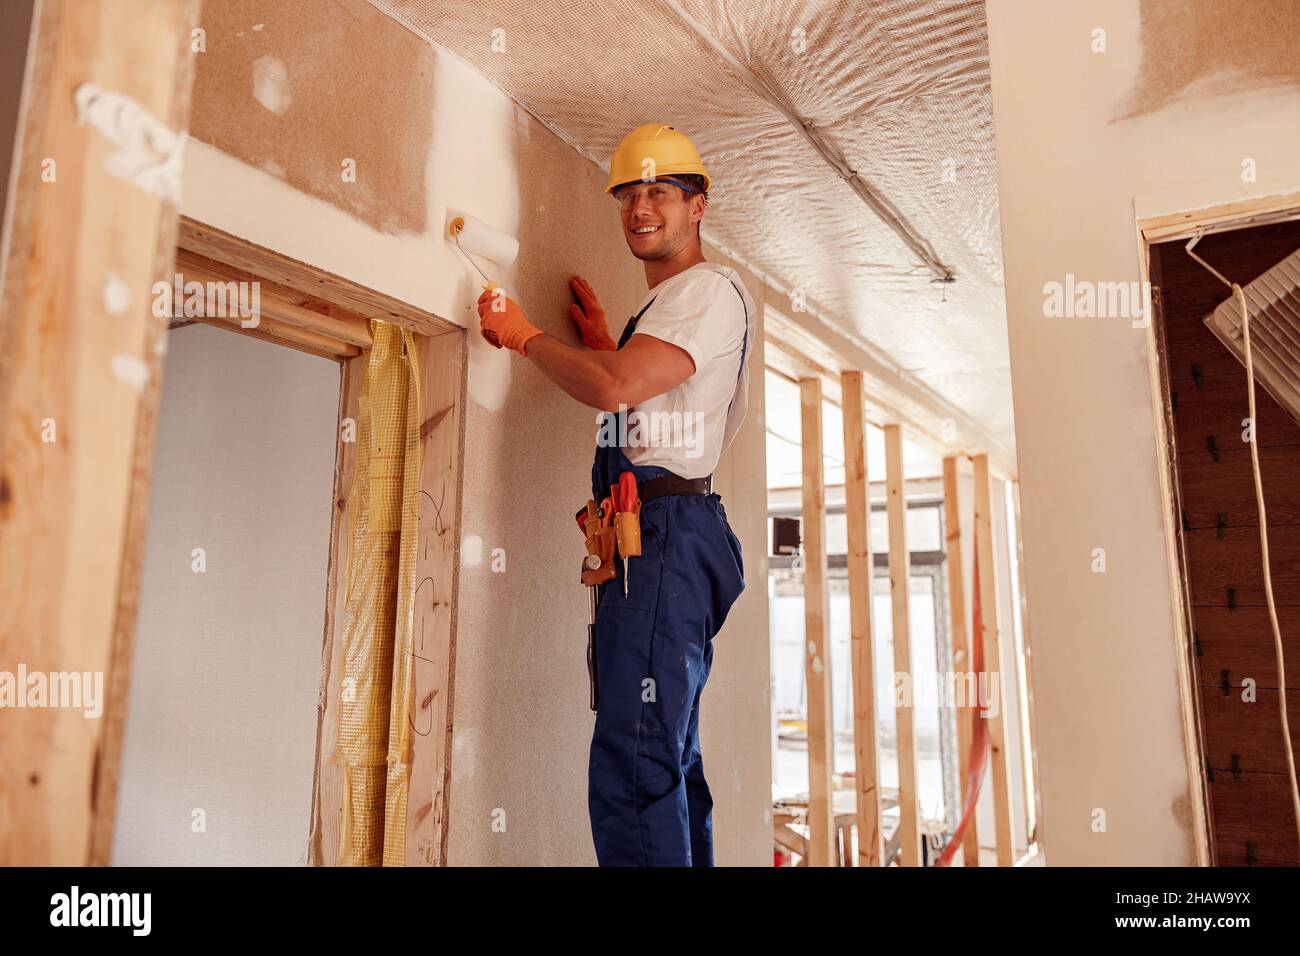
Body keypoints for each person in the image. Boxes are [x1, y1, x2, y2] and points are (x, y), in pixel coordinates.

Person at [476, 123, 755, 866]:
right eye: (628, 193)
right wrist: (608, 341)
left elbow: (616, 386)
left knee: (635, 765)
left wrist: (521, 334)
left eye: (659, 191)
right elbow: (640, 391)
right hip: (662, 535)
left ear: (699, 205)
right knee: (667, 758)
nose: (639, 207)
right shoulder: (675, 305)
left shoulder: (703, 290)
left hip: (664, 538)